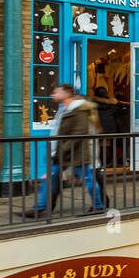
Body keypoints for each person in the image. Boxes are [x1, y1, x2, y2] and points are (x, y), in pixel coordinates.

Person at [21, 83, 105, 218]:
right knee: (51, 178)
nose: (53, 95)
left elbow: (78, 134)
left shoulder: (79, 111)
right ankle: (39, 207)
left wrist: (60, 151)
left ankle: (98, 205)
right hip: (65, 153)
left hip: (76, 153)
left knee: (89, 178)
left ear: (66, 94)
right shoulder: (65, 110)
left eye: (57, 92)